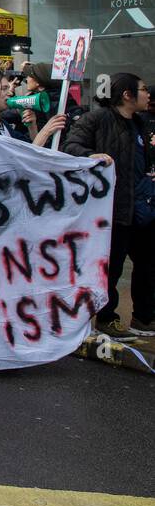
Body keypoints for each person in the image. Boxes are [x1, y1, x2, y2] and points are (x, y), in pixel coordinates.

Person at [63, 73, 155, 341]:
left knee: (148, 265)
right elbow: (71, 146)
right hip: (112, 210)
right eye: (142, 89)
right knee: (111, 268)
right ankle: (106, 318)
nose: (147, 93)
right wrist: (89, 156)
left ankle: (145, 316)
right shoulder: (98, 119)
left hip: (143, 209)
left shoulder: (140, 124)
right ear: (127, 95)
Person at [0, 70, 65, 146]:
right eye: (4, 89)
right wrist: (45, 132)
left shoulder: (3, 124)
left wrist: (32, 127)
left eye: (8, 88)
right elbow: (23, 159)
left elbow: (30, 148)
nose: (10, 93)